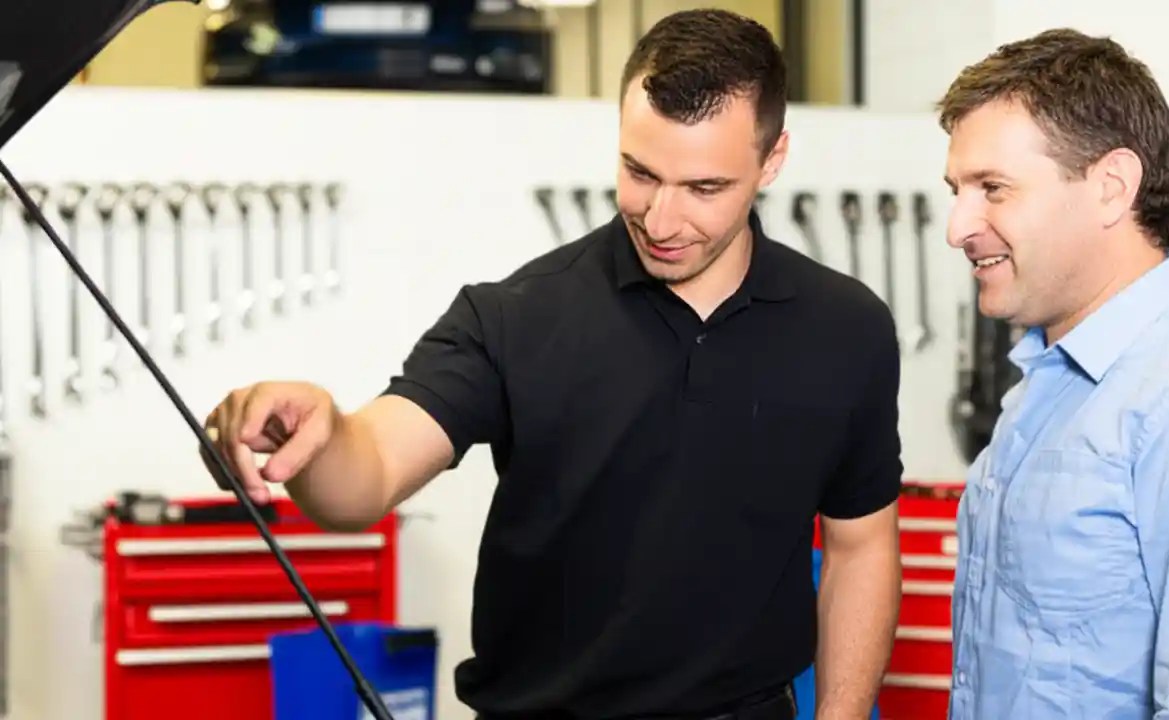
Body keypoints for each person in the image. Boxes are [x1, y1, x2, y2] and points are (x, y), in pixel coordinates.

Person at [202, 9, 903, 719]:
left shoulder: (846, 330)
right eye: (639, 173)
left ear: (772, 160)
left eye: (703, 189)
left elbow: (860, 549)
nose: (660, 220)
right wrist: (318, 436)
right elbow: (369, 474)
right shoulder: (512, 317)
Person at [939, 27, 1169, 719]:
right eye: (957, 190)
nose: (957, 226)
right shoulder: (1044, 387)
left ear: (1110, 187)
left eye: (992, 188)